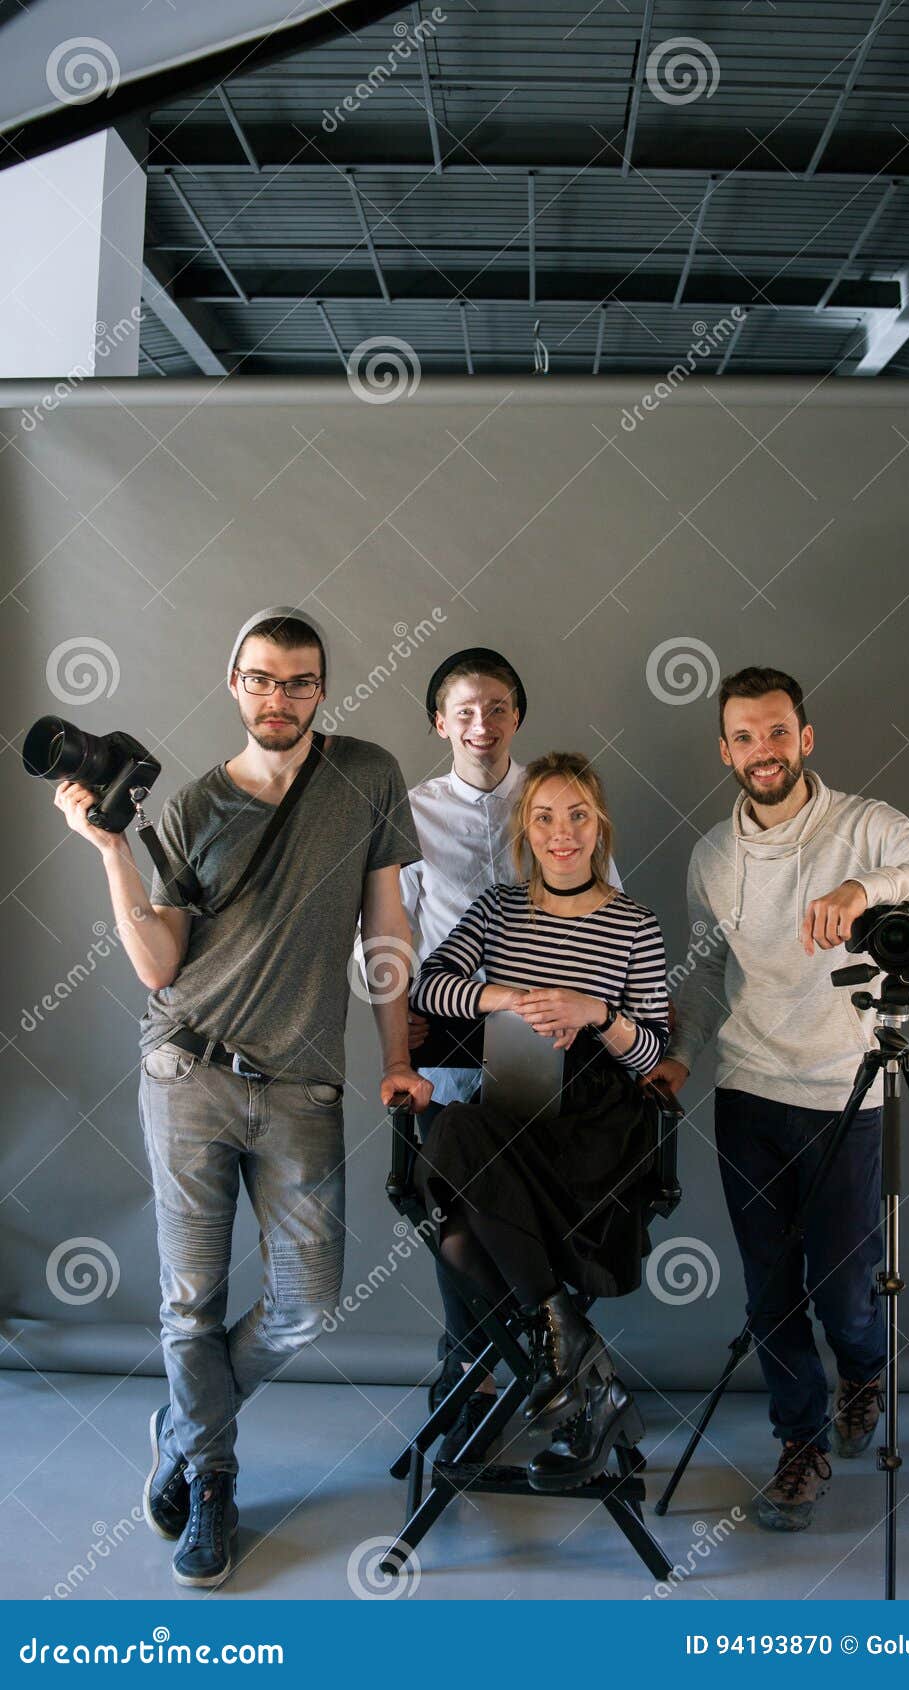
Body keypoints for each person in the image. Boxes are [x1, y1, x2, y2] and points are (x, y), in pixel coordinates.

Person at [52, 606, 429, 1588]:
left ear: (321, 688)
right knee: (192, 1304)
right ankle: (211, 1483)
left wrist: (397, 1054)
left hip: (302, 1082)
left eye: (299, 681)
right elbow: (157, 965)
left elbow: (386, 929)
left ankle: (179, 1423)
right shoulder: (190, 811)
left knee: (305, 1302)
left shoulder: (367, 775)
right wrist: (108, 849)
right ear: (234, 682)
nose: (280, 697)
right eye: (261, 679)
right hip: (187, 1072)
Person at [647, 665, 909, 1531]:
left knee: (843, 1289)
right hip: (747, 1092)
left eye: (778, 731)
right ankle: (799, 1444)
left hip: (846, 1089)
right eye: (745, 736)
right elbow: (707, 971)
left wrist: (864, 889)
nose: (764, 750)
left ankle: (862, 1373)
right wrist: (681, 1056)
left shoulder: (864, 826)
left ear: (805, 737)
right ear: (725, 749)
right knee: (768, 1290)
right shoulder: (712, 856)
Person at [408, 751, 669, 1488]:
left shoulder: (633, 925)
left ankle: (560, 1367)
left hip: (593, 1135)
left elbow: (650, 1055)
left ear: (599, 826)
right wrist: (508, 997)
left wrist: (596, 1013)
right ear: (527, 828)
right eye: (546, 817)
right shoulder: (496, 908)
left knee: (463, 1225)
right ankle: (573, 1350)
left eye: (577, 816)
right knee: (453, 1147)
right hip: (513, 1113)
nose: (562, 833)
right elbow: (432, 988)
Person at [398, 648, 622, 1462]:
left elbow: (610, 911)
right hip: (454, 1036)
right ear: (438, 722)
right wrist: (401, 1019)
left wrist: (611, 1022)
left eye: (494, 707)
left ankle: (556, 1375)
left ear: (516, 715)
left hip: (557, 1051)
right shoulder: (411, 811)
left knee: (534, 1204)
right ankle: (479, 1380)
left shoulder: (550, 796)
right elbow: (386, 939)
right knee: (456, 1204)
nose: (479, 724)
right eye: (462, 710)